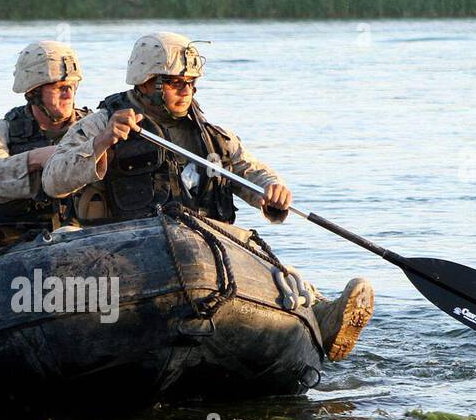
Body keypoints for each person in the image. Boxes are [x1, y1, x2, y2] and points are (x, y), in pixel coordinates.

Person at [41, 31, 373, 360]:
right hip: (126, 249)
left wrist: (271, 191)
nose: (186, 91)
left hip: (207, 249)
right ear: (146, 82)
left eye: (191, 83)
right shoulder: (102, 123)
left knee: (263, 257)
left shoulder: (211, 135)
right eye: (175, 83)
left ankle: (320, 315)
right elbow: (53, 179)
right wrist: (101, 144)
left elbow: (251, 171)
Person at [0, 40, 91, 246]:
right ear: (33, 93)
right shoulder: (1, 131)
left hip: (84, 243)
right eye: (60, 88)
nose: (69, 95)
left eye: (71, 86)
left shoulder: (92, 128)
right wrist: (35, 159)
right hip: (13, 247)